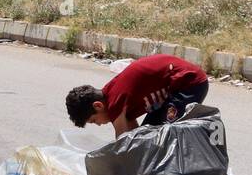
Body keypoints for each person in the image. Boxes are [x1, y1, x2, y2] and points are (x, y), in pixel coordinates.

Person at [65, 54, 209, 137]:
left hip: (190, 84)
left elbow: (123, 142)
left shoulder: (115, 102)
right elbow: (135, 137)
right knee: (148, 137)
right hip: (172, 91)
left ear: (98, 105)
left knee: (163, 138)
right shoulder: (115, 98)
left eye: (94, 120)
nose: (99, 124)